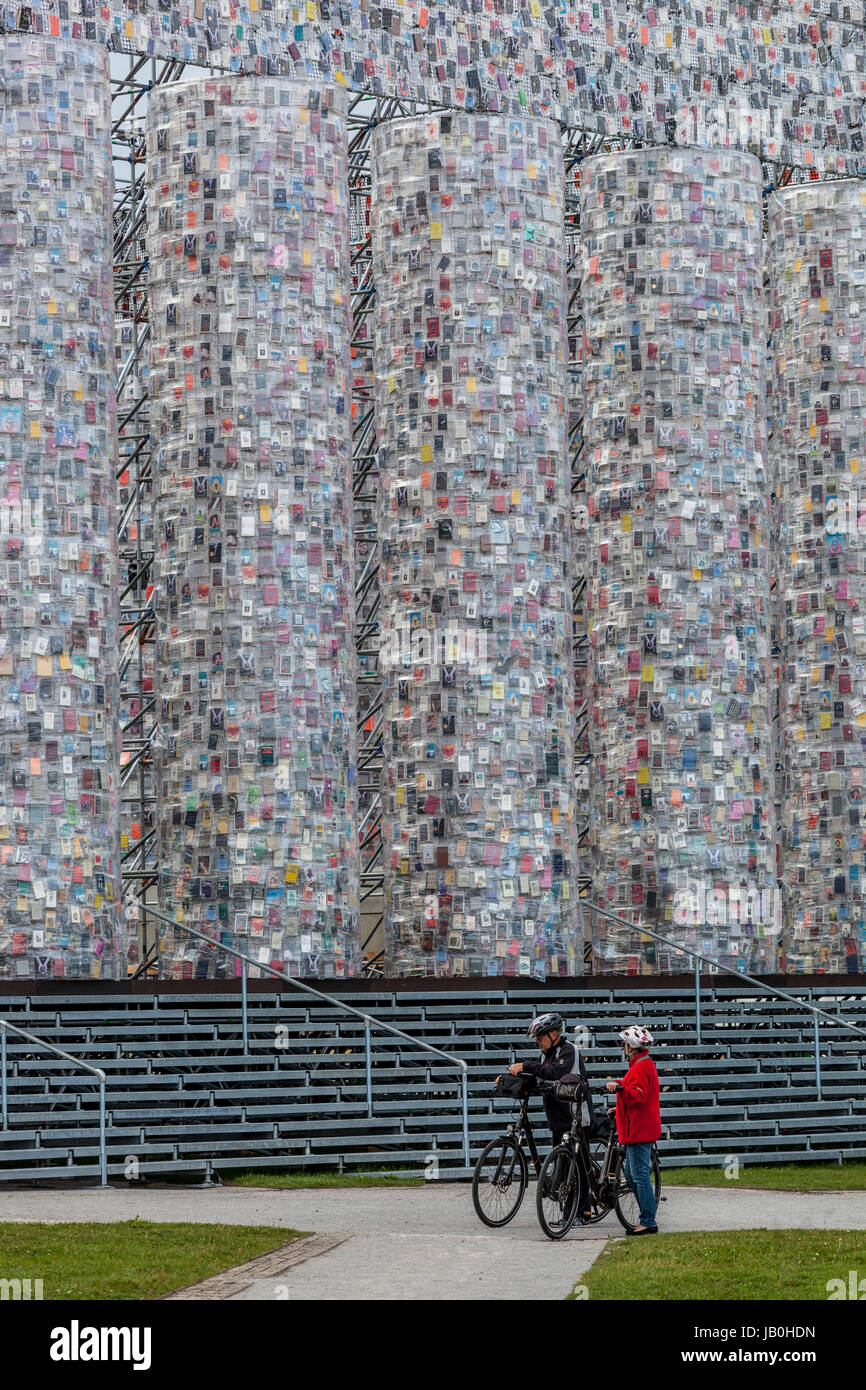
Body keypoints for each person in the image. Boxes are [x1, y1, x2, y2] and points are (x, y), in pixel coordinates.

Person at [508, 1011, 593, 1219]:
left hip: (576, 1117)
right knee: (562, 1168)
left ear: (554, 1034)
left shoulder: (568, 1050)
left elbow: (555, 1073)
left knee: (578, 1168)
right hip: (557, 1119)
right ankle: (568, 1211)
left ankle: (583, 1212)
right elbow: (540, 1078)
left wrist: (527, 1065)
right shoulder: (545, 1055)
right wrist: (509, 1079)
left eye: (540, 1037)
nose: (538, 1041)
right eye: (536, 1038)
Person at [606, 1024, 661, 1235]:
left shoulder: (640, 1067)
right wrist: (620, 1091)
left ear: (631, 1046)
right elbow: (634, 1088)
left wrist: (619, 1088)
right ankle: (647, 1215)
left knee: (639, 1176)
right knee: (631, 1176)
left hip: (639, 1130)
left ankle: (648, 1220)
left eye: (624, 1044)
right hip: (636, 1128)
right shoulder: (641, 1065)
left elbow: (637, 1094)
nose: (622, 1047)